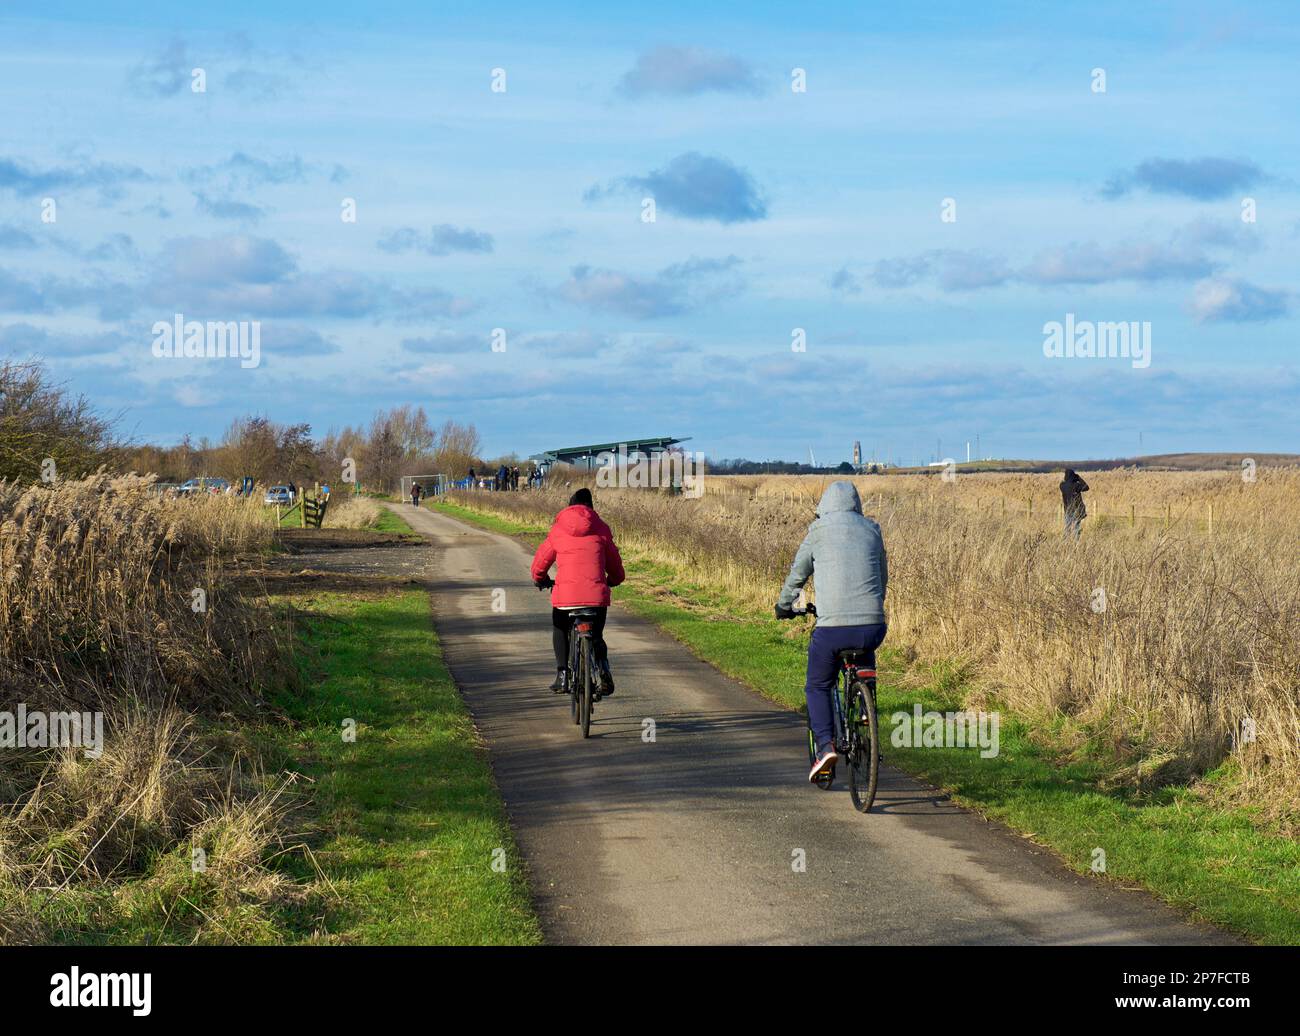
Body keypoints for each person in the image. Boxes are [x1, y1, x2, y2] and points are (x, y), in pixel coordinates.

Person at [774, 481, 888, 783]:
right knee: (864, 649)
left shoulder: (818, 531)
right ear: (855, 504)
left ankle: (825, 746)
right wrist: (872, 607)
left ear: (824, 506)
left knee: (818, 685)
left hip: (832, 630)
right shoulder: (872, 530)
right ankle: (866, 703)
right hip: (873, 625)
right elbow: (882, 577)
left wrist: (784, 606)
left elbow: (797, 576)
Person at [531, 488, 625, 696]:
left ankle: (562, 675)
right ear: (591, 507)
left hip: (566, 598)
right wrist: (614, 580)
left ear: (570, 506)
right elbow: (615, 564)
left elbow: (542, 560)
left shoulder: (558, 529)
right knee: (597, 634)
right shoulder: (601, 528)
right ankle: (603, 671)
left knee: (559, 627)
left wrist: (540, 578)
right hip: (595, 598)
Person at [1060, 469, 1089, 538]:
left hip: (1067, 510)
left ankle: (1066, 542)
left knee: (1067, 527)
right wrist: (1078, 478)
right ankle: (1076, 542)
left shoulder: (1062, 485)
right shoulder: (1076, 485)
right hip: (1076, 509)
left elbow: (1066, 483)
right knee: (1076, 528)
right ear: (1073, 476)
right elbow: (1086, 487)